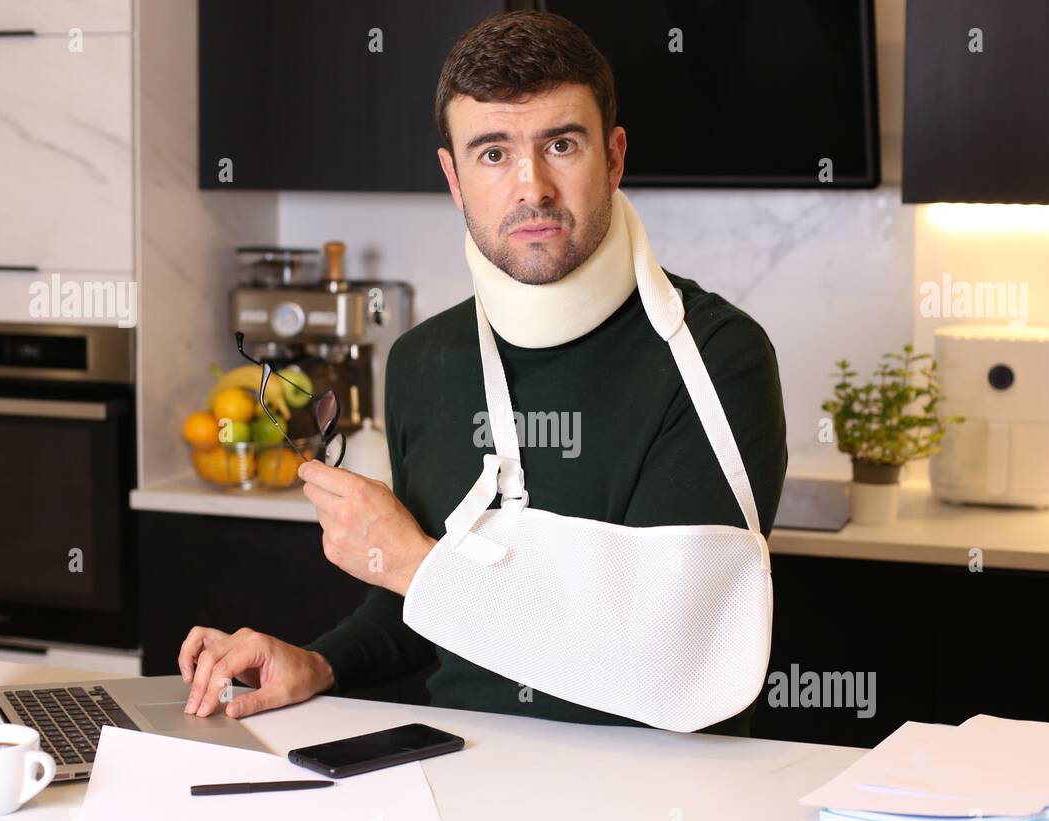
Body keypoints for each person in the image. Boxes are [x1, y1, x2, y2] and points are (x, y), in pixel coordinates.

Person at [178, 10, 787, 736]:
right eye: (493, 153)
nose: (532, 188)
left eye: (561, 144)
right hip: (469, 787)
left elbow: (665, 657)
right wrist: (320, 661)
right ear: (454, 178)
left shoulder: (721, 358)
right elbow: (427, 605)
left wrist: (406, 559)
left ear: (615, 157)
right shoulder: (423, 362)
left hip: (666, 810)